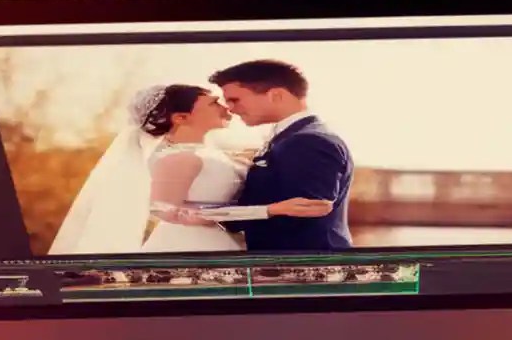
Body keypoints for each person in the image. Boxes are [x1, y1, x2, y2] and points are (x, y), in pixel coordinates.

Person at [48, 84, 331, 255]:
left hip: (225, 243)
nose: (226, 108)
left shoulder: (210, 154)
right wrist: (269, 210)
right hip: (188, 248)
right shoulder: (176, 159)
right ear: (182, 117)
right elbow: (164, 211)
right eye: (213, 103)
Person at [210, 59, 355, 252]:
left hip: (304, 268)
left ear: (276, 95)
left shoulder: (308, 141)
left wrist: (212, 215)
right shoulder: (291, 138)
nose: (230, 108)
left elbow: (305, 212)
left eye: (235, 100)